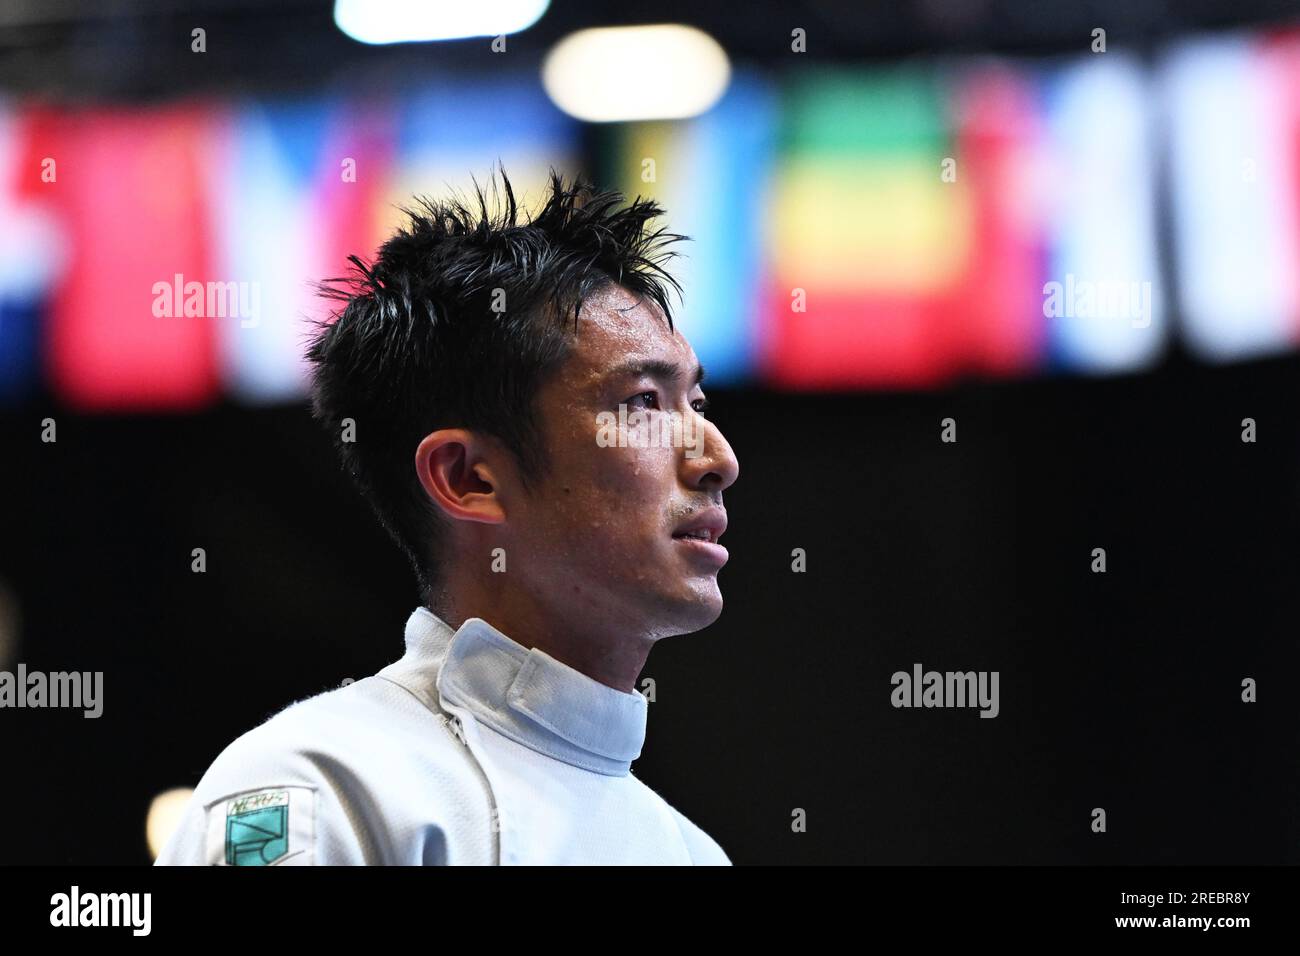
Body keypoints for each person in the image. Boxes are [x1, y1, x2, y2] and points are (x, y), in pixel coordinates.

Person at [155, 167, 740, 865]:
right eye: (642, 404)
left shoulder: (692, 854)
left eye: (696, 406)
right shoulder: (314, 788)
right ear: (469, 479)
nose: (717, 459)